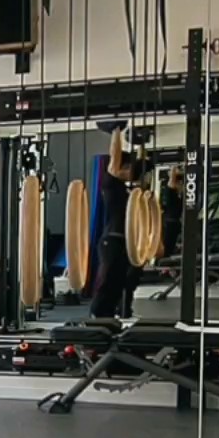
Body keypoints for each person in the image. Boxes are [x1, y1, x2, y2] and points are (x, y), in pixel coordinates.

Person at [90, 124, 143, 319]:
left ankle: (114, 313)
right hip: (111, 241)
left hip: (124, 243)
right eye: (128, 168)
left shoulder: (127, 189)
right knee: (107, 280)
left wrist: (141, 145)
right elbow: (115, 158)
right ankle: (97, 314)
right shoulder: (111, 183)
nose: (131, 173)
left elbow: (141, 166)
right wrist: (116, 131)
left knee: (122, 281)